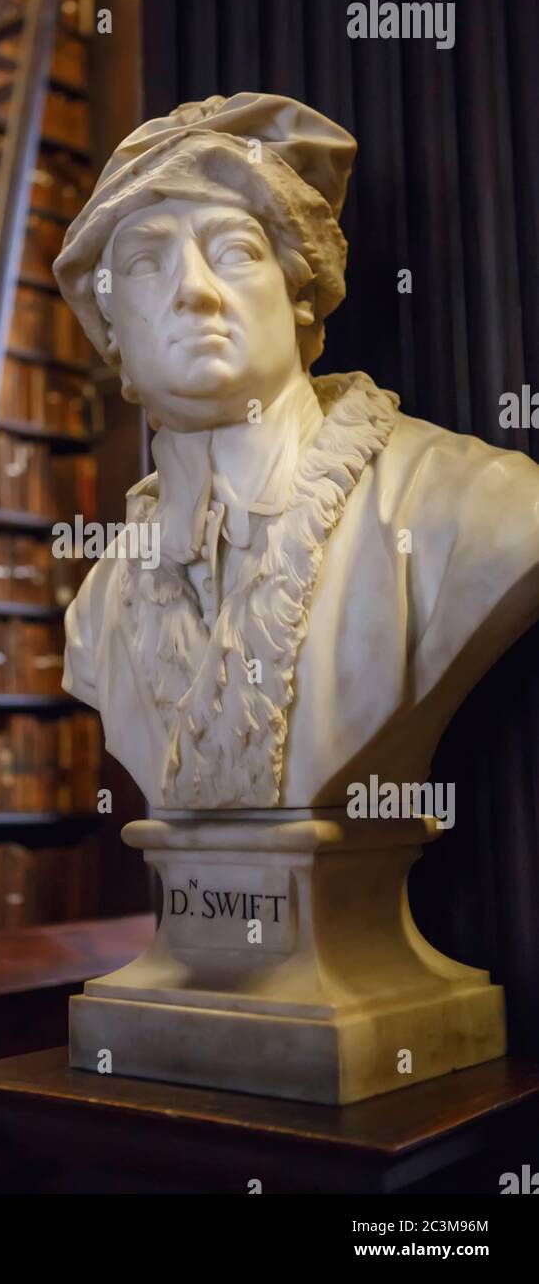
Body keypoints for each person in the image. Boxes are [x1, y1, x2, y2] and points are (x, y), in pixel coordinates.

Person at [53, 93, 539, 810]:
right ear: (111, 333)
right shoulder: (99, 608)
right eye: (148, 263)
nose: (195, 292)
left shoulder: (485, 510)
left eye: (235, 251)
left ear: (300, 295)